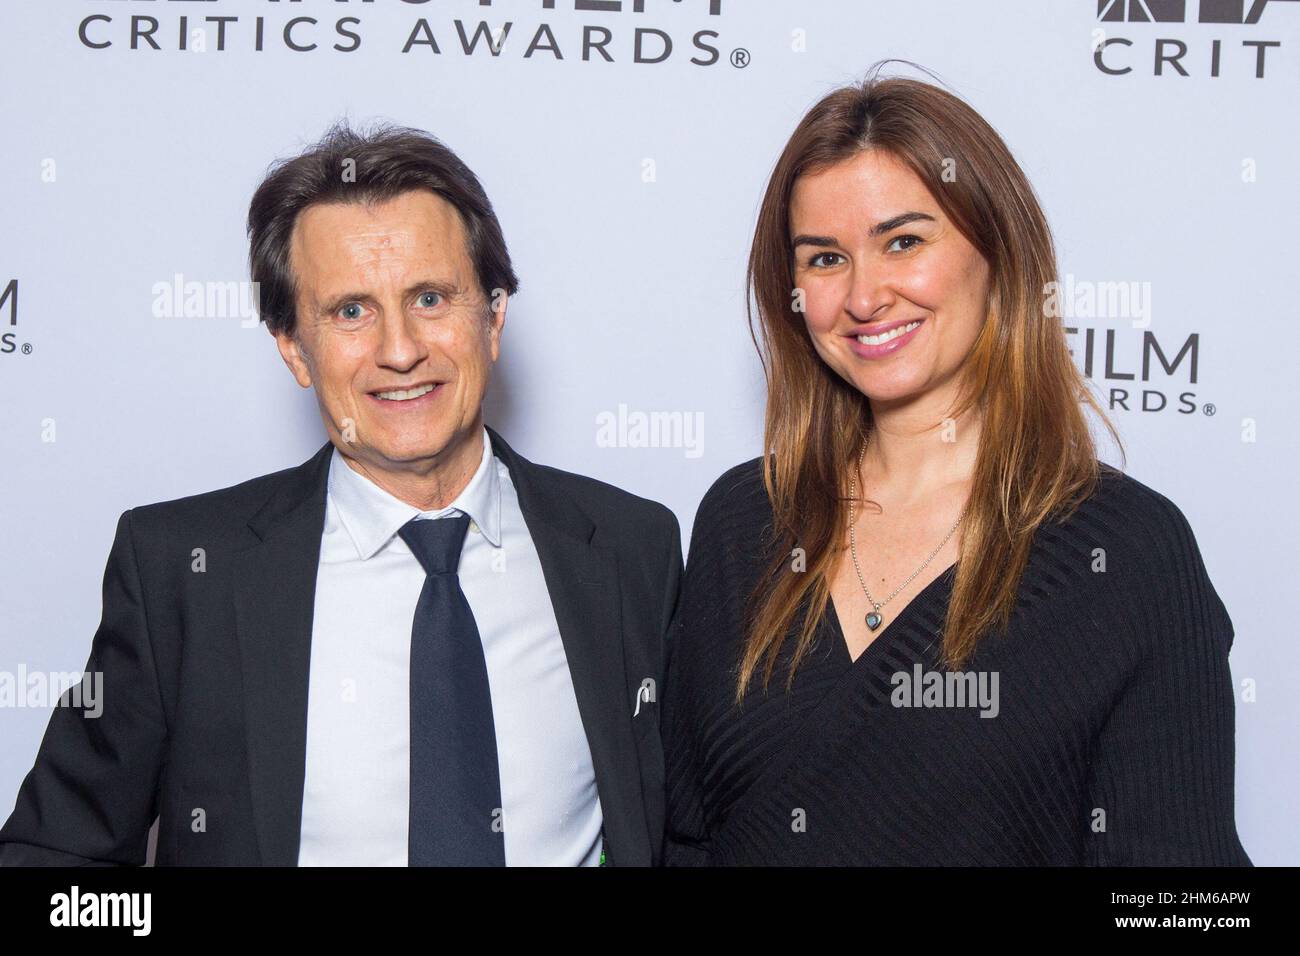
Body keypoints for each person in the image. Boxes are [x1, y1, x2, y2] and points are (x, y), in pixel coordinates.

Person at [0, 122, 681, 867]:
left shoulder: (630, 549)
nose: (399, 350)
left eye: (429, 297)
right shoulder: (183, 571)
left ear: (493, 316)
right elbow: (55, 860)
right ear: (293, 347)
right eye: (350, 311)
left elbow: (692, 834)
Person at [662, 71, 1251, 866]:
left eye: (904, 241)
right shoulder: (745, 517)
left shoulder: (1127, 554)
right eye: (825, 258)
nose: (865, 296)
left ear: (997, 251)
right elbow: (684, 838)